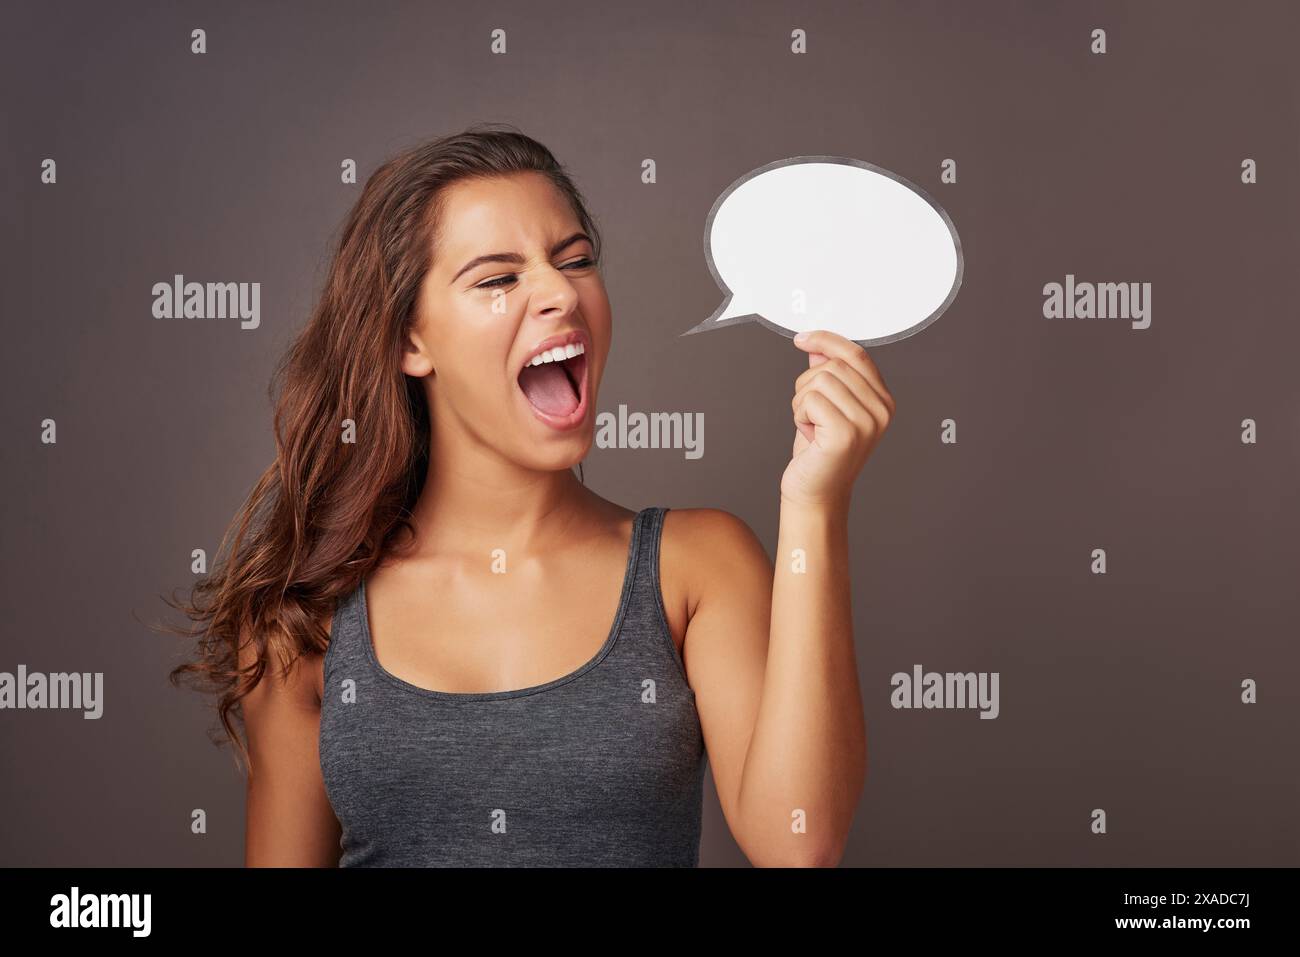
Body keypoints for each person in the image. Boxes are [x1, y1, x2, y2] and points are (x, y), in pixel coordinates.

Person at [166, 123, 895, 867]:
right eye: (497, 278)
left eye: (575, 260)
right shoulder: (311, 619)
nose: (560, 292)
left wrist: (815, 504)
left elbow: (799, 845)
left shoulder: (696, 568)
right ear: (409, 341)